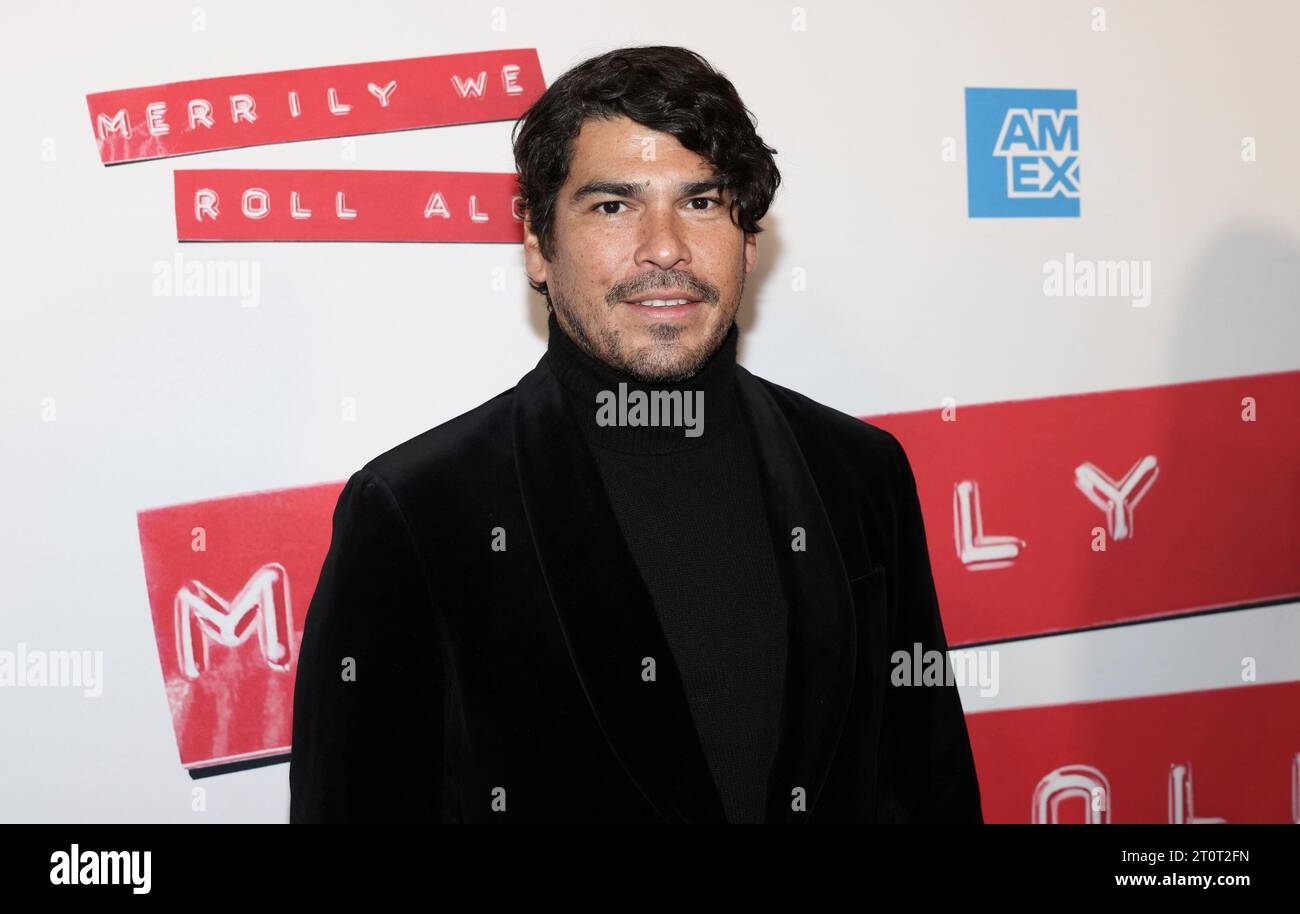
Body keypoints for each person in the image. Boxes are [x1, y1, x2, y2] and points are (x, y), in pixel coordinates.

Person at [289, 45, 982, 823]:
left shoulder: (859, 474)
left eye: (701, 203)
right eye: (613, 205)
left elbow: (927, 787)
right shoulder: (418, 512)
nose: (664, 249)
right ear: (537, 245)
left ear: (748, 237)